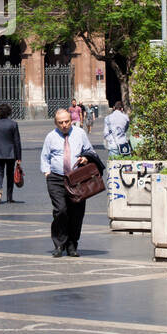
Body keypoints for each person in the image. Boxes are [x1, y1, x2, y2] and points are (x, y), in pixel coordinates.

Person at [40, 107, 104, 257]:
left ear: (71, 120)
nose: (64, 125)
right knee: (60, 210)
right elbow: (45, 156)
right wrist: (47, 172)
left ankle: (72, 244)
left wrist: (86, 158)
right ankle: (59, 244)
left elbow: (90, 150)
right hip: (56, 178)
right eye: (61, 122)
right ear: (56, 123)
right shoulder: (50, 137)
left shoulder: (80, 133)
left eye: (67, 121)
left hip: (77, 179)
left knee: (76, 213)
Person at [0, 101, 22, 203]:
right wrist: (19, 157)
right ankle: (9, 197)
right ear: (9, 112)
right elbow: (17, 142)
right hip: (10, 154)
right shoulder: (13, 124)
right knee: (10, 174)